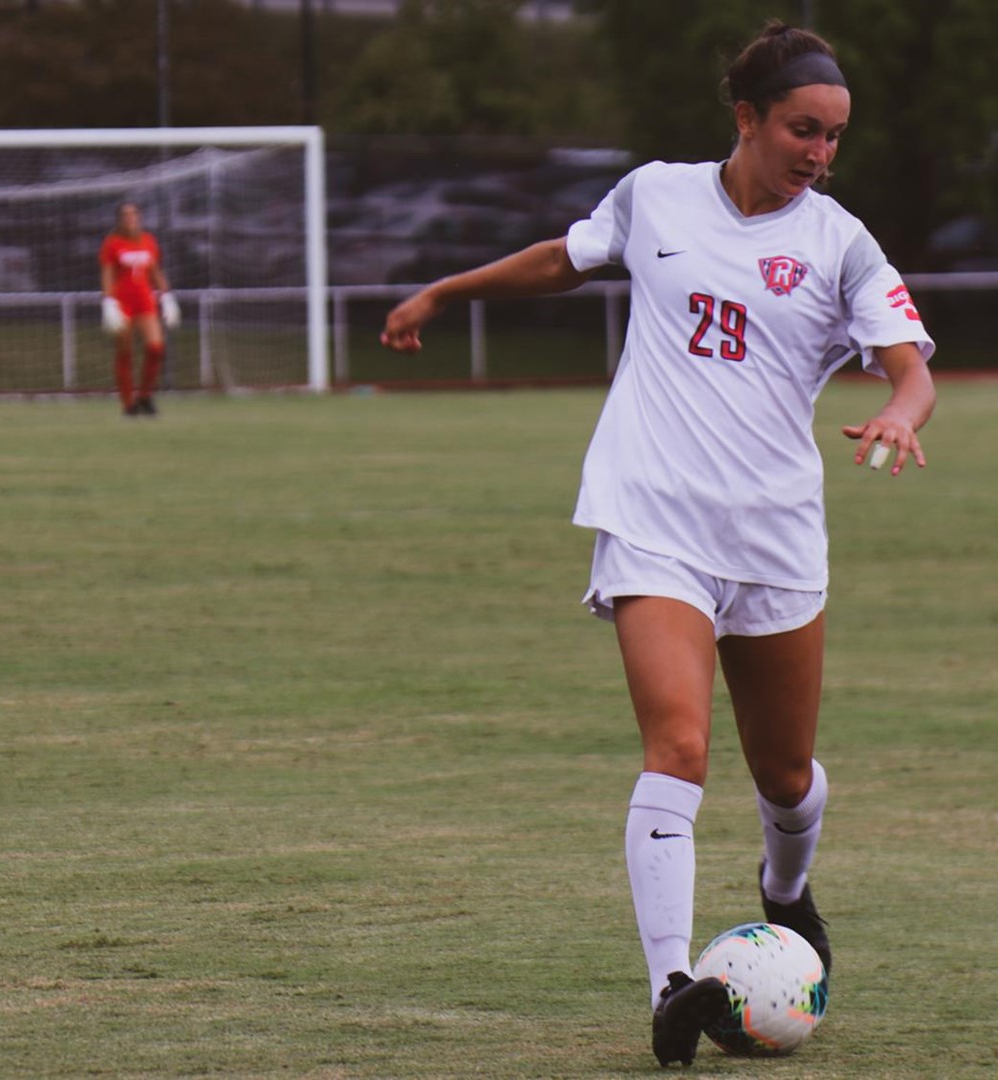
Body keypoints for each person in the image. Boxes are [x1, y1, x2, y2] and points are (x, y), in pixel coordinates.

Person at [379, 21, 936, 1068]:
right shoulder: (656, 196)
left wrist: (906, 409)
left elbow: (911, 366)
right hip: (654, 521)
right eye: (800, 131)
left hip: (772, 537)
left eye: (833, 138)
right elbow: (566, 257)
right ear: (746, 118)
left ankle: (784, 888)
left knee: (784, 777)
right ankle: (674, 988)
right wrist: (447, 292)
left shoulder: (840, 243)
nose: (818, 154)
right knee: (677, 749)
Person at [99, 202, 180, 417]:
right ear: (119, 219)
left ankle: (144, 395)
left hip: (145, 301)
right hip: (122, 302)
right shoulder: (112, 243)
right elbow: (107, 273)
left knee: (156, 348)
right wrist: (108, 301)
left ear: (140, 217)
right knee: (125, 352)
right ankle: (128, 404)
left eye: (133, 214)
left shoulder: (148, 241)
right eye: (125, 215)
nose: (130, 218)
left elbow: (155, 271)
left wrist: (167, 295)